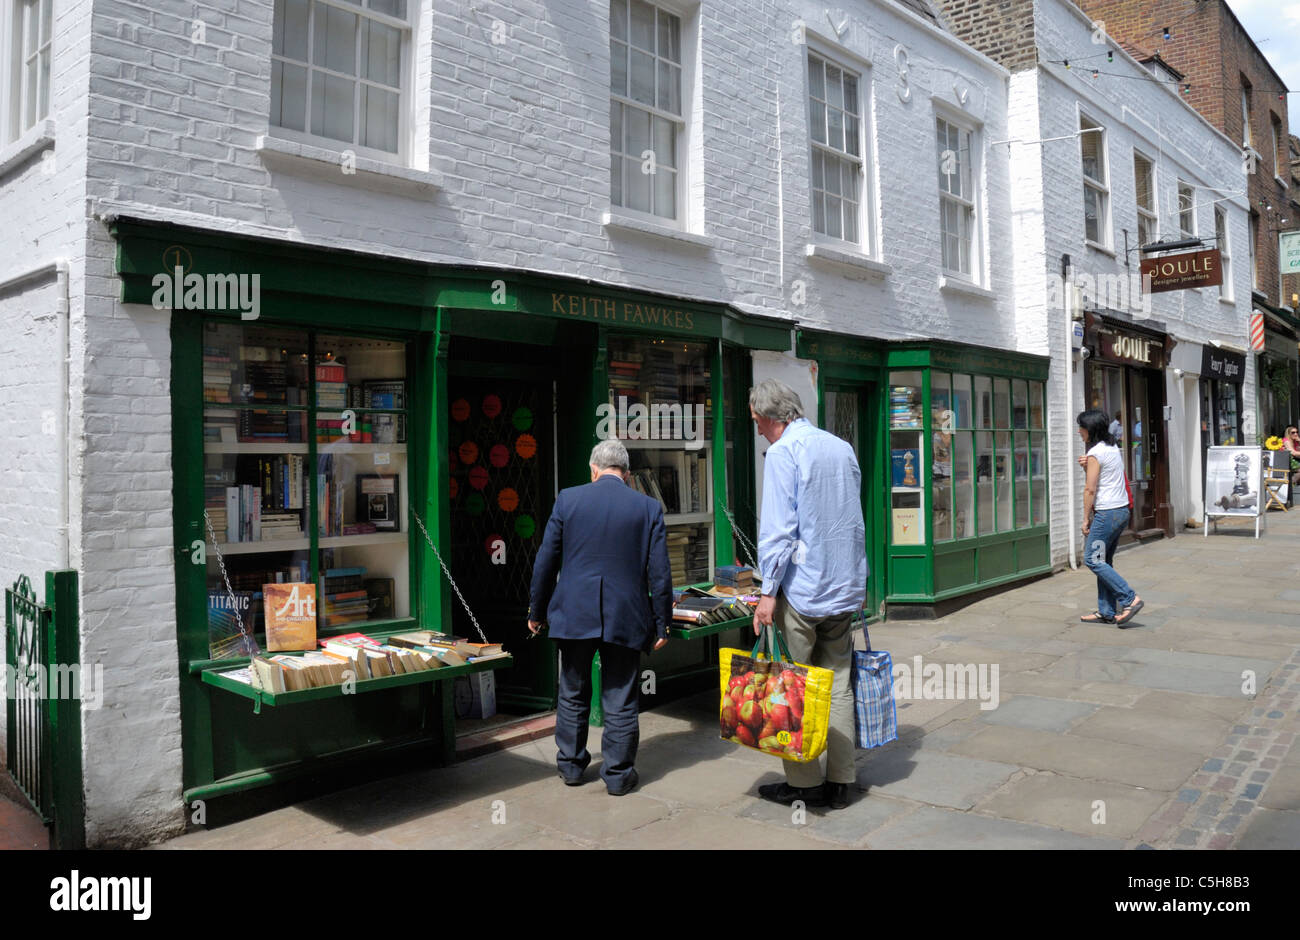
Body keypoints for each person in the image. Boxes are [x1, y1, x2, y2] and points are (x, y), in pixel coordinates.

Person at [527, 439, 671, 795]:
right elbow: (660, 572)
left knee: (573, 691)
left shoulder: (568, 499)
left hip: (574, 613)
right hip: (627, 615)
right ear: (627, 472)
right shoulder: (648, 507)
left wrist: (537, 609)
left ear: (594, 470)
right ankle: (619, 776)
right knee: (620, 697)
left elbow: (546, 559)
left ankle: (572, 767)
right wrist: (662, 621)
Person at [749, 379, 867, 810]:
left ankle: (803, 784)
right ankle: (841, 780)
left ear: (770, 417)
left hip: (802, 590)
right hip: (842, 588)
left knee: (791, 685)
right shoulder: (841, 447)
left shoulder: (783, 453)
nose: (758, 431)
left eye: (758, 422)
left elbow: (778, 531)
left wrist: (766, 593)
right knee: (836, 684)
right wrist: (860, 583)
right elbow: (854, 523)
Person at [1076, 409, 1143, 626]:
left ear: (1090, 429)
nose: (1079, 431)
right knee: (1104, 560)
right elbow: (1106, 474)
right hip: (1122, 511)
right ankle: (1106, 611)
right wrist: (1089, 464)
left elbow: (1090, 489)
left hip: (1107, 514)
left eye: (1081, 427)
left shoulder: (1096, 453)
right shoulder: (1112, 447)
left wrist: (1085, 518)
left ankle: (1129, 598)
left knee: (1092, 559)